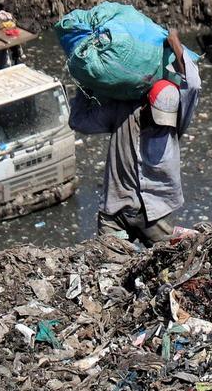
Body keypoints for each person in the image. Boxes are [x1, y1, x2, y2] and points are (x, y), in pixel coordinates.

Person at [68, 29, 201, 245]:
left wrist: (175, 43)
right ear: (146, 103)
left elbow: (193, 85)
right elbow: (78, 121)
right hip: (115, 213)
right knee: (108, 269)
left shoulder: (176, 120)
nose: (160, 123)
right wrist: (86, 81)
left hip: (153, 214)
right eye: (156, 116)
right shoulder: (122, 112)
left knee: (170, 261)